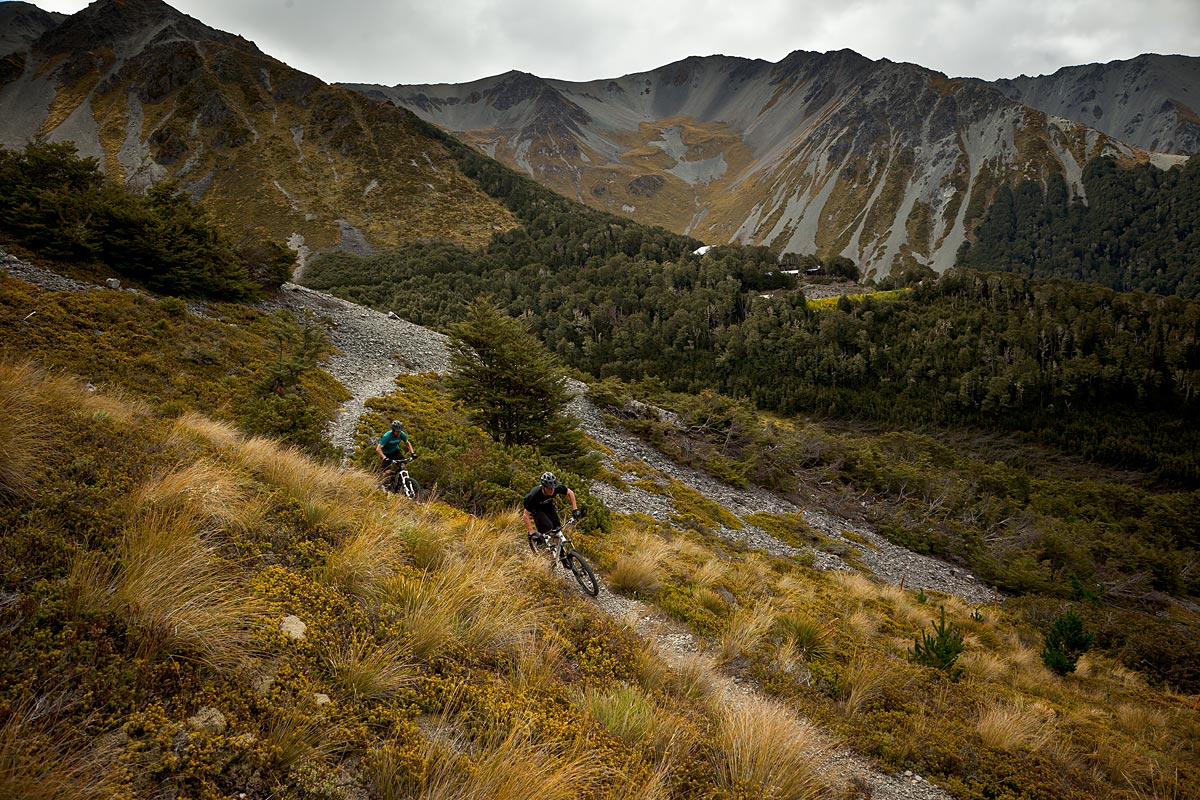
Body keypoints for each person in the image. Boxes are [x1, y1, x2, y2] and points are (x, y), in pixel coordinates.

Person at [523, 471, 581, 544]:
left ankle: (557, 548)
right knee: (547, 526)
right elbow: (525, 515)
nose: (552, 490)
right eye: (549, 488)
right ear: (544, 487)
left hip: (548, 506)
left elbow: (570, 492)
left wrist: (575, 509)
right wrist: (531, 533)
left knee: (557, 527)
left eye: (553, 488)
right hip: (536, 509)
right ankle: (541, 543)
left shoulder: (556, 488)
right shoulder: (533, 495)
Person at [376, 420, 416, 487]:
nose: (399, 433)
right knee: (387, 472)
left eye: (400, 431)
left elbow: (407, 443)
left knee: (403, 467)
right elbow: (378, 449)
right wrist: (384, 458)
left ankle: (403, 483)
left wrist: (413, 453)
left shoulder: (402, 434)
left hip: (395, 451)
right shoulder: (387, 436)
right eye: (397, 431)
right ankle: (379, 484)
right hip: (385, 453)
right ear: (393, 430)